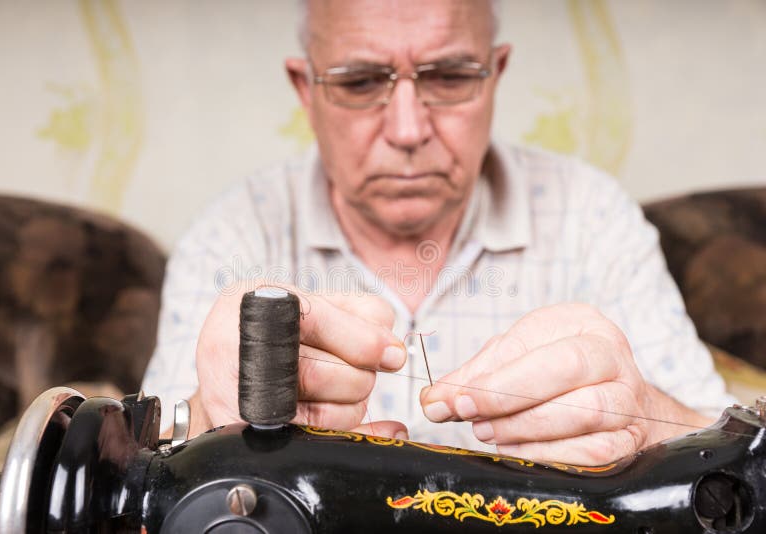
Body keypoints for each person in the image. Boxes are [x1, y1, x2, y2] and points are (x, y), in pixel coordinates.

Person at [141, 0, 734, 466]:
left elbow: (731, 451)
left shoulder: (593, 218)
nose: (407, 129)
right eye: (359, 82)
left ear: (495, 74)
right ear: (307, 89)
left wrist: (643, 417)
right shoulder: (231, 235)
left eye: (450, 76)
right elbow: (140, 469)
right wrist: (205, 420)